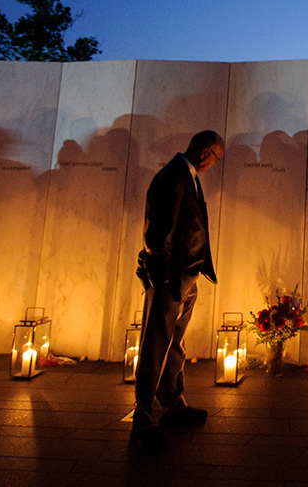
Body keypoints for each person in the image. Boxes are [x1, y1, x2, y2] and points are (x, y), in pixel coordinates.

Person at [131, 130, 224, 451]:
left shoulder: (185, 175)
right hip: (171, 277)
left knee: (174, 344)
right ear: (205, 151)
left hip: (186, 274)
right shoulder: (173, 177)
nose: (215, 164)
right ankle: (145, 418)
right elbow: (158, 235)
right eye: (217, 157)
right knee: (156, 346)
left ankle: (171, 403)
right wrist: (166, 278)